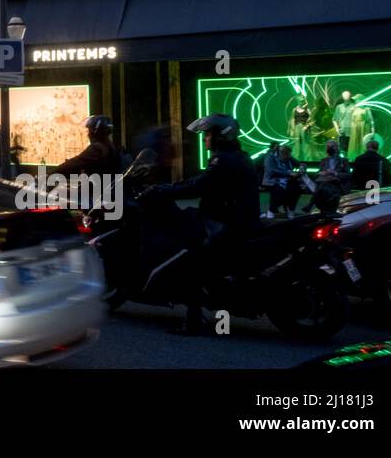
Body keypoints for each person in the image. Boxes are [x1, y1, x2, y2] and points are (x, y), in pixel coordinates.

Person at [145, 113, 260, 335]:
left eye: (208, 134)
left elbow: (198, 186)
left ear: (220, 136)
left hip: (226, 223)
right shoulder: (238, 156)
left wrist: (163, 191)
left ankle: (194, 320)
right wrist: (171, 187)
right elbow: (201, 182)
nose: (204, 139)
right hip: (238, 220)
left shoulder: (223, 160)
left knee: (190, 260)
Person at [56, 115, 121, 177]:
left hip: (96, 187)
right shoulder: (110, 146)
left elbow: (77, 162)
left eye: (89, 130)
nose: (88, 134)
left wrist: (53, 172)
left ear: (95, 131)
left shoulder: (97, 148)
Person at [305, 139, 351, 214]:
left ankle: (310, 204)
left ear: (336, 148)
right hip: (325, 183)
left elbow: (348, 175)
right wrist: (321, 173)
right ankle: (312, 205)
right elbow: (317, 173)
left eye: (331, 146)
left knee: (322, 186)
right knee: (323, 185)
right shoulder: (323, 160)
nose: (329, 148)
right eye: (328, 147)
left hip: (337, 184)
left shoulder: (343, 161)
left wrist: (335, 173)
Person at [262, 142, 302, 217]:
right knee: (279, 191)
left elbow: (299, 163)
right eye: (286, 155)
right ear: (281, 153)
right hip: (272, 181)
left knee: (297, 190)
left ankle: (290, 208)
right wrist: (288, 173)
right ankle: (272, 211)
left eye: (288, 155)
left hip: (287, 180)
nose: (287, 157)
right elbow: (271, 171)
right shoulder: (270, 157)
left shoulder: (288, 156)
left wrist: (302, 167)